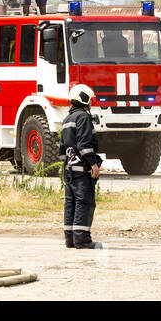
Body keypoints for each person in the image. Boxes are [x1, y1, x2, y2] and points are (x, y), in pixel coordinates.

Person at [60, 83, 102, 248]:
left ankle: (70, 239)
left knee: (70, 203)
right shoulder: (83, 117)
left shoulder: (67, 119)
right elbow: (85, 145)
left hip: (69, 170)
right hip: (82, 170)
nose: (91, 102)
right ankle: (82, 240)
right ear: (83, 99)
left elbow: (62, 150)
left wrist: (68, 166)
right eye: (89, 99)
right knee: (84, 203)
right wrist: (93, 164)